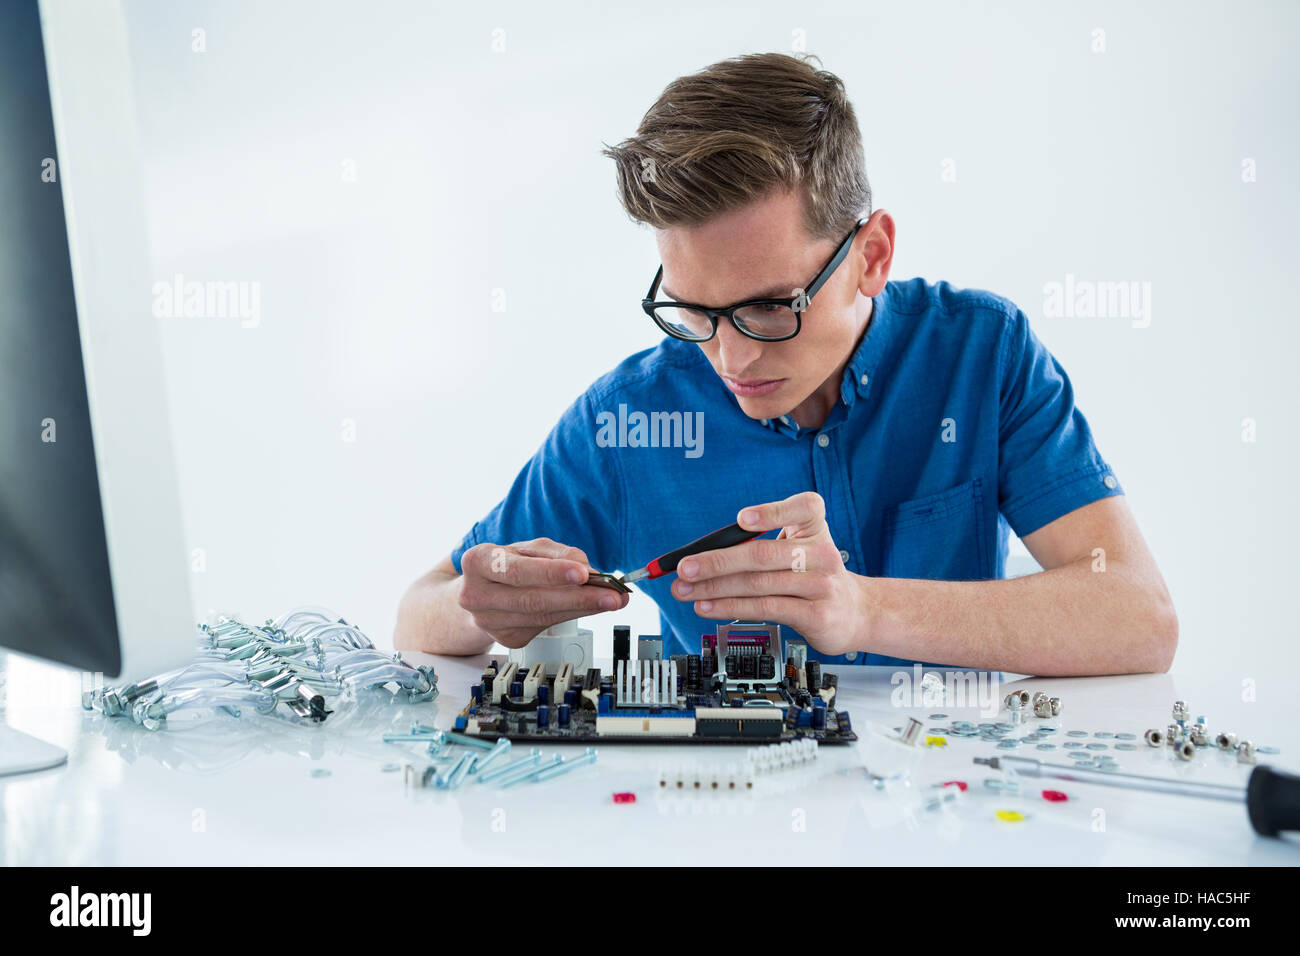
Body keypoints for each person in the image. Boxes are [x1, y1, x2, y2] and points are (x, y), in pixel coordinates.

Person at [395, 52, 1177, 676]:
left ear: (871, 257)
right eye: (694, 311)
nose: (731, 358)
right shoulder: (631, 419)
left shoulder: (982, 355)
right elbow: (420, 608)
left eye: (771, 307)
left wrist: (861, 609)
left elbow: (1137, 615)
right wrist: (481, 605)